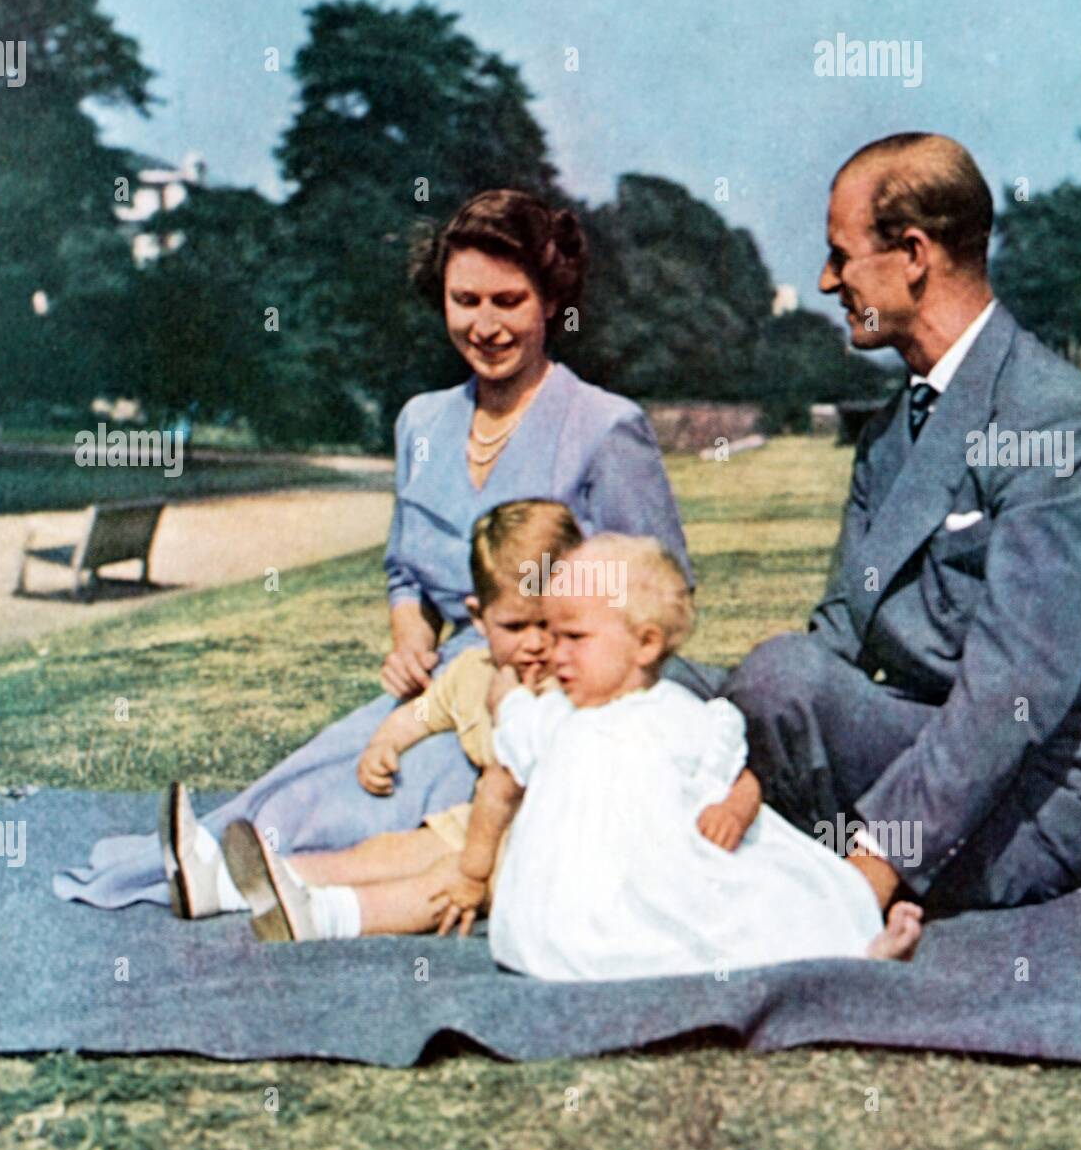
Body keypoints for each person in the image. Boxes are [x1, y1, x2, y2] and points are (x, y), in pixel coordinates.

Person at [55, 189, 699, 912]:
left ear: (551, 302)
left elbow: (660, 590)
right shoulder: (420, 422)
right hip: (445, 680)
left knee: (416, 784)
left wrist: (558, 659)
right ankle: (220, 860)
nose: (484, 325)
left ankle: (266, 886)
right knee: (340, 759)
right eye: (465, 300)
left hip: (555, 699)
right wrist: (407, 633)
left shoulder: (604, 426)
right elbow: (405, 570)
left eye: (507, 301)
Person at [727, 133, 1081, 917]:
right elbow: (838, 636)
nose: (824, 281)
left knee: (778, 677)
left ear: (912, 253)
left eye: (839, 255)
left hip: (1020, 807)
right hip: (906, 753)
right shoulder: (892, 429)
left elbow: (1009, 698)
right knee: (676, 690)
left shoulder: (1050, 421)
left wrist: (866, 880)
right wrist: (737, 769)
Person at [435, 534, 924, 981]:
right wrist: (473, 871)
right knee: (571, 933)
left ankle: (845, 945)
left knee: (741, 910)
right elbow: (505, 764)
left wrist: (734, 809)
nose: (554, 653)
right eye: (553, 634)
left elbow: (743, 774)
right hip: (571, 892)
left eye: (575, 638)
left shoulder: (679, 714)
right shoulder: (556, 716)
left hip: (666, 873)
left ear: (644, 644)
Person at [212, 499, 579, 941]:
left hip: (554, 843)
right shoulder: (471, 674)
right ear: (480, 619)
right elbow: (420, 715)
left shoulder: (575, 684)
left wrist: (473, 871)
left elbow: (524, 778)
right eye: (516, 627)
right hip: (481, 825)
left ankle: (328, 916)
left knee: (447, 877)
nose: (537, 643)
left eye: (552, 625)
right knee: (387, 851)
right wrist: (384, 744)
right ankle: (230, 886)